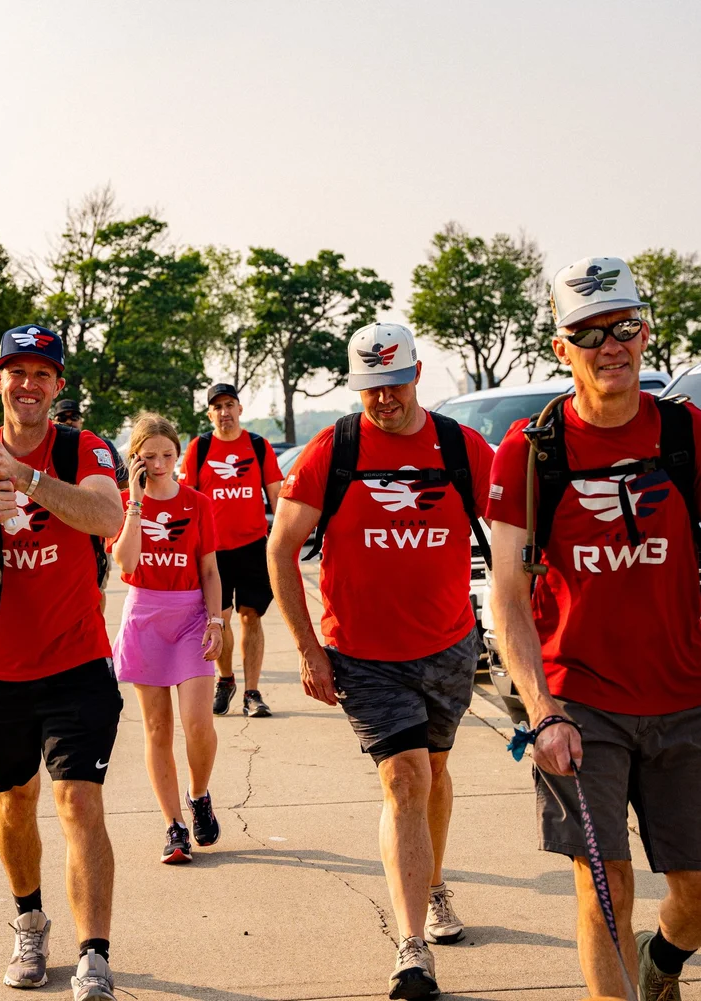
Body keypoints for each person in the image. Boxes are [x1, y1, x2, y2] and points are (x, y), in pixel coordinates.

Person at [486, 257, 701, 1001]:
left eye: (625, 327)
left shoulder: (692, 435)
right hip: (579, 703)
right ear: (561, 348)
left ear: (644, 333)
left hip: (684, 697)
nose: (611, 345)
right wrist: (540, 709)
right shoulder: (530, 451)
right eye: (589, 332)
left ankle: (663, 961)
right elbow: (507, 596)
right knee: (603, 883)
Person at [267, 323, 493, 1001]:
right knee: (404, 779)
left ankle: (434, 882)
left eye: (393, 383)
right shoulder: (332, 449)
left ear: (418, 373)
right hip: (363, 655)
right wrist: (309, 648)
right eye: (369, 386)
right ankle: (412, 947)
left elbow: (518, 533)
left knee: (436, 773)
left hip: (449, 643)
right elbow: (281, 549)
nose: (383, 399)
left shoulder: (459, 446)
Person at [0, 325, 126, 1001]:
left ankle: (94, 952)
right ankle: (30, 921)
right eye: (18, 372)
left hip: (74, 660)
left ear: (58, 385)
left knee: (78, 800)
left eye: (43, 373)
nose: (30, 384)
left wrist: (31, 479)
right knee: (16, 801)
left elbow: (106, 516)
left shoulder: (81, 447)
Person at [110, 411, 225, 864]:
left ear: (178, 454)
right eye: (149, 456)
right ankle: (174, 826)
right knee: (158, 728)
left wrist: (216, 621)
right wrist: (136, 502)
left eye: (168, 455)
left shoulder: (197, 502)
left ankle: (199, 794)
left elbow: (211, 570)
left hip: (191, 617)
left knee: (198, 723)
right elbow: (127, 562)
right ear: (135, 458)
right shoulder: (122, 503)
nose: (159, 464)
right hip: (145, 616)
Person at [180, 383, 283, 717]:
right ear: (210, 413)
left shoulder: (257, 445)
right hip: (213, 552)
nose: (224, 413)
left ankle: (252, 693)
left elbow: (277, 496)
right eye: (217, 407)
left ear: (240, 409)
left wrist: (284, 542)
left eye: (229, 405)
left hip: (253, 546)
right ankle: (226, 680)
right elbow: (187, 498)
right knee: (219, 620)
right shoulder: (200, 447)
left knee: (250, 616)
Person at [55, 397, 129, 614]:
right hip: (57, 532)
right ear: (53, 419)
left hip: (93, 533)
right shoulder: (46, 448)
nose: (69, 421)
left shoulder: (100, 446)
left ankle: (97, 635)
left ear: (82, 420)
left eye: (74, 417)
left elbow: (123, 483)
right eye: (62, 417)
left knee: (96, 590)